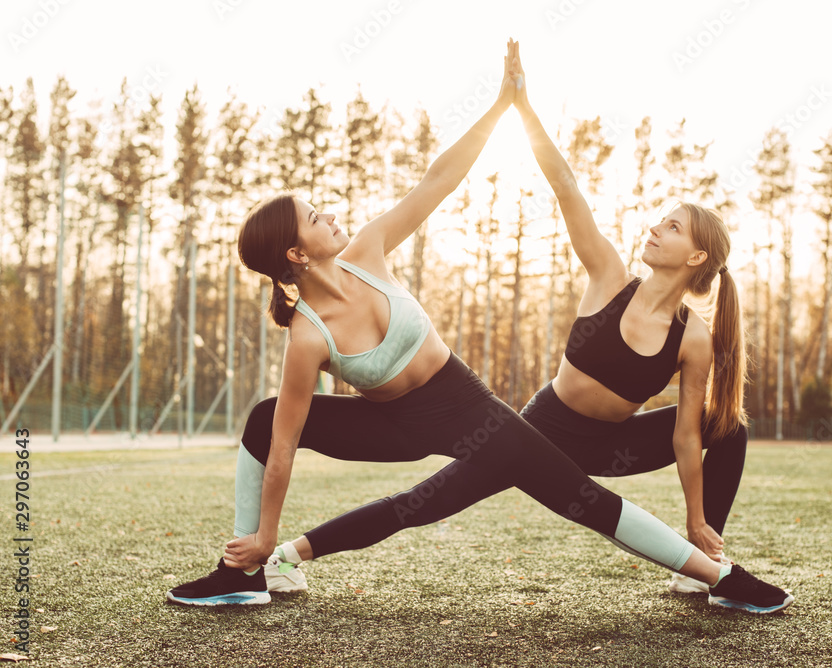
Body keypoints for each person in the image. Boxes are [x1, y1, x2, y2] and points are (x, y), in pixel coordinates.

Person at [168, 40, 792, 615]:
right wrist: (263, 536)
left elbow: (438, 180)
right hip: (393, 425)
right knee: (264, 419)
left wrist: (503, 107)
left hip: (465, 407)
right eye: (313, 215)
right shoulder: (308, 335)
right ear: (297, 256)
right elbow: (282, 445)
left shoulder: (369, 249)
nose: (328, 211)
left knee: (574, 498)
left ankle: (713, 574)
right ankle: (243, 573)